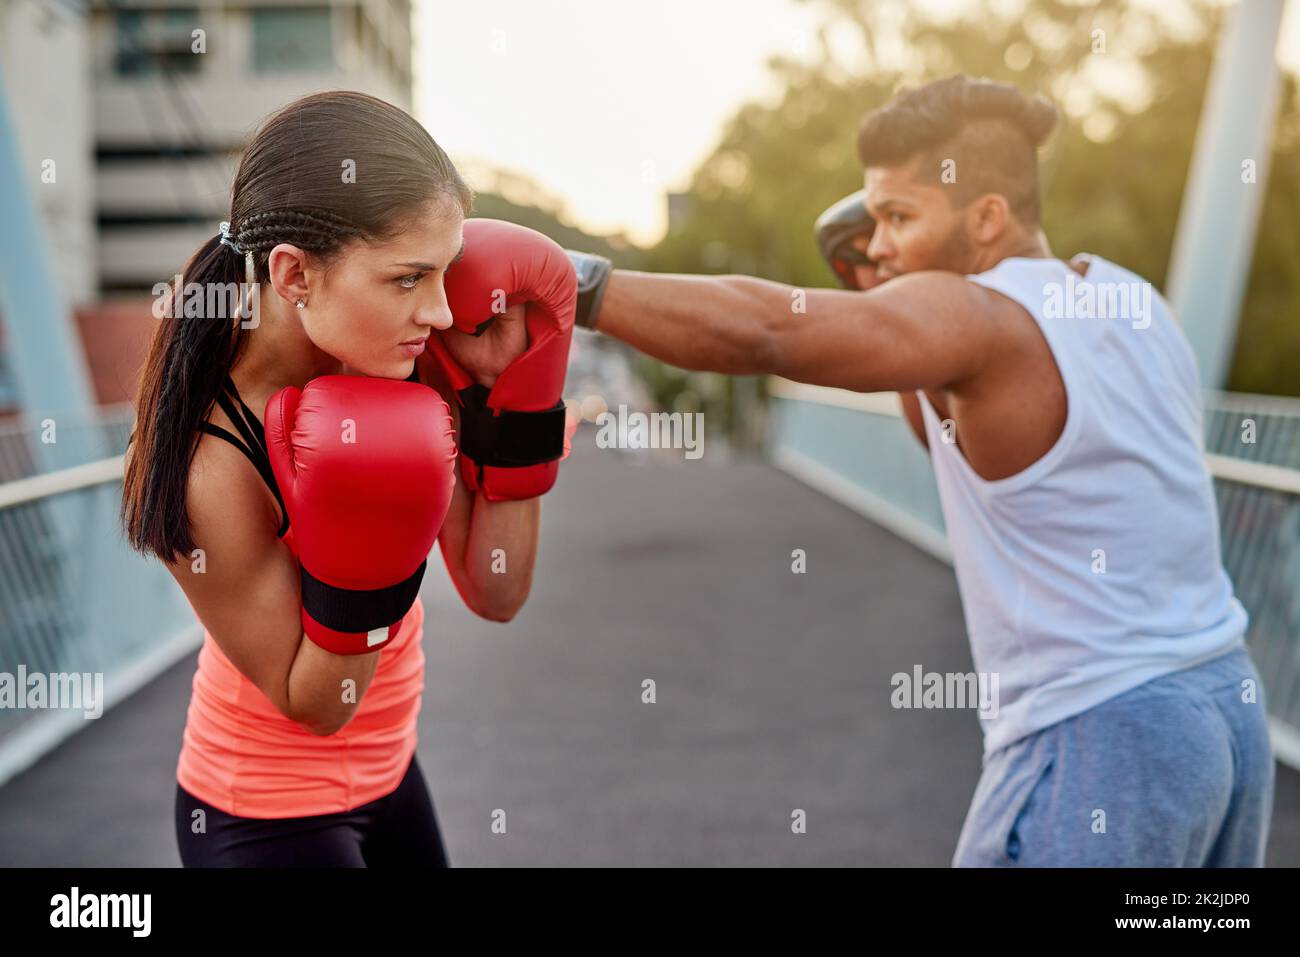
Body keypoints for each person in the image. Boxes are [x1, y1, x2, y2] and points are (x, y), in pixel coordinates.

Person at [568, 74, 1275, 866]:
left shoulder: (982, 317)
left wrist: (581, 285)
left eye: (898, 218)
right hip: (1224, 713)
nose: (875, 245)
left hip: (1098, 737)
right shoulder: (1130, 297)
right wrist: (888, 302)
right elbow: (966, 435)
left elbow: (767, 330)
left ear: (987, 218)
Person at [121, 91, 575, 867]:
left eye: (443, 272)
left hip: (393, 772)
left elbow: (498, 591)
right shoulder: (211, 462)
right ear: (295, 274)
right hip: (263, 810)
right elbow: (319, 705)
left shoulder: (392, 354)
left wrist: (513, 405)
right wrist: (370, 546)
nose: (438, 310)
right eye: (408, 277)